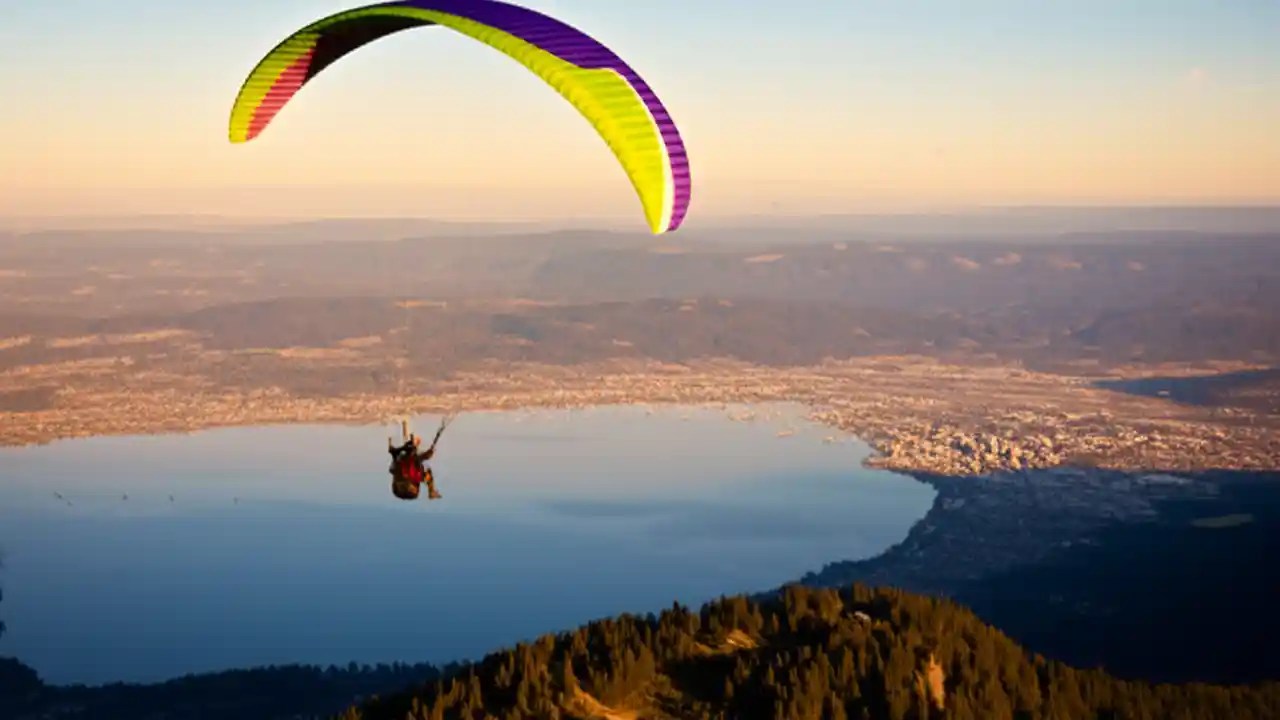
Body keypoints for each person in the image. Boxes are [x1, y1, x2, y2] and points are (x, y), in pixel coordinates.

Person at [389, 432, 442, 501]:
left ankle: (431, 492)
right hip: (400, 459)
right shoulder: (411, 476)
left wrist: (428, 454)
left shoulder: (415, 475)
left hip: (403, 460)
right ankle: (431, 492)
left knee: (426, 473)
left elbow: (418, 460)